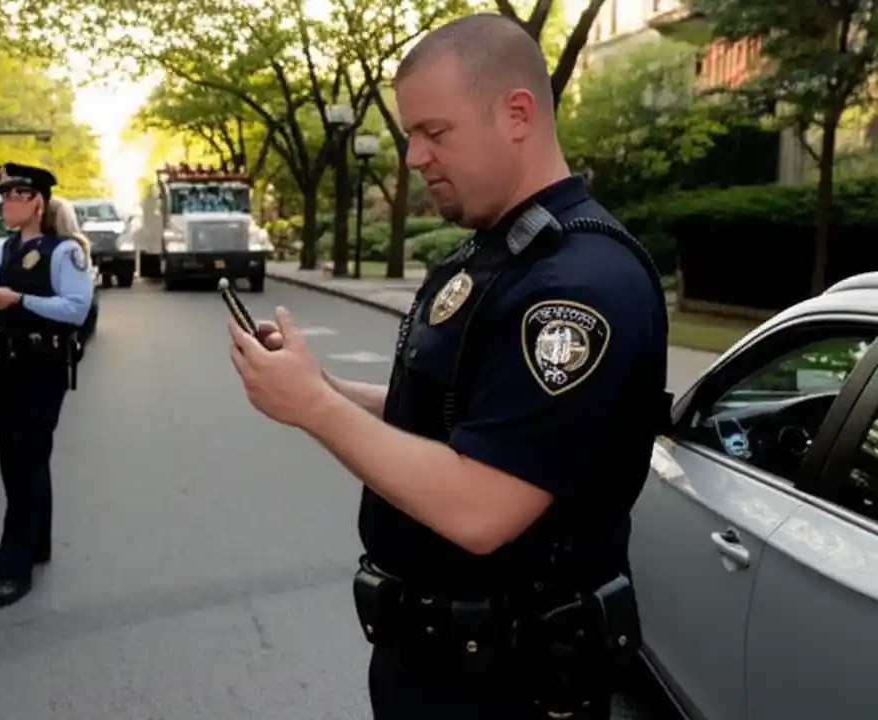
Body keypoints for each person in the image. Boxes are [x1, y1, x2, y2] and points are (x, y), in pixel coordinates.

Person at [226, 13, 670, 719]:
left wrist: (312, 407)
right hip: (436, 665)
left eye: (435, 132)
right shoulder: (495, 254)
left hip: (508, 686)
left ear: (517, 113)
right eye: (409, 135)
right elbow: (455, 415)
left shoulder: (577, 288)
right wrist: (321, 387)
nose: (413, 157)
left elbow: (483, 508)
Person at [0, 162, 94, 609]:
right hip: (9, 363)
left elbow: (76, 309)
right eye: (2, 196)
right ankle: (34, 542)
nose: (4, 203)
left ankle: (15, 567)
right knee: (15, 458)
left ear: (37, 202)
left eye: (13, 196)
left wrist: (19, 299)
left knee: (26, 460)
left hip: (44, 367)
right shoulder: (5, 249)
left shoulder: (67, 252)